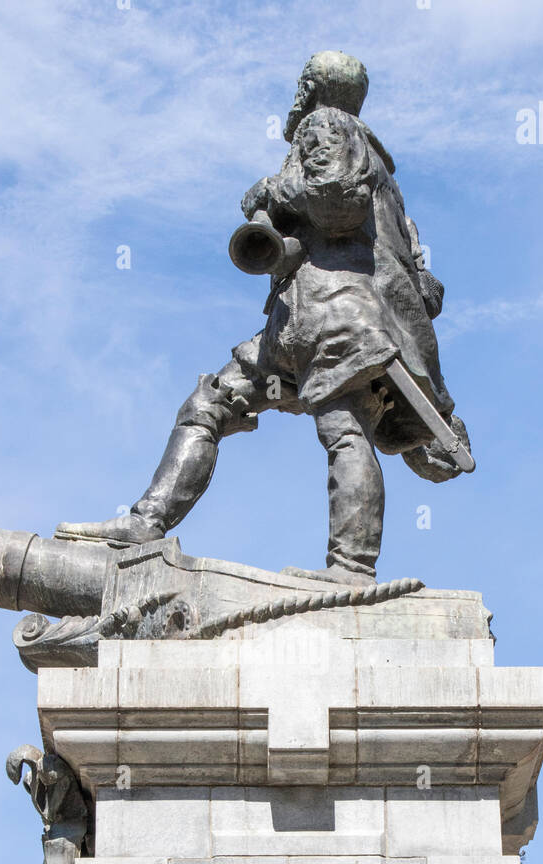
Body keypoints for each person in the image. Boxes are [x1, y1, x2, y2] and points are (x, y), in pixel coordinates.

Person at [57, 51, 470, 584]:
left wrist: (273, 192)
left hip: (336, 316)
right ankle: (145, 523)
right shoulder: (386, 175)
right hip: (299, 324)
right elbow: (425, 289)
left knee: (342, 426)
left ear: (316, 88)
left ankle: (350, 570)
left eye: (303, 84)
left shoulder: (327, 125)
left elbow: (339, 202)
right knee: (213, 401)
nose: (296, 95)